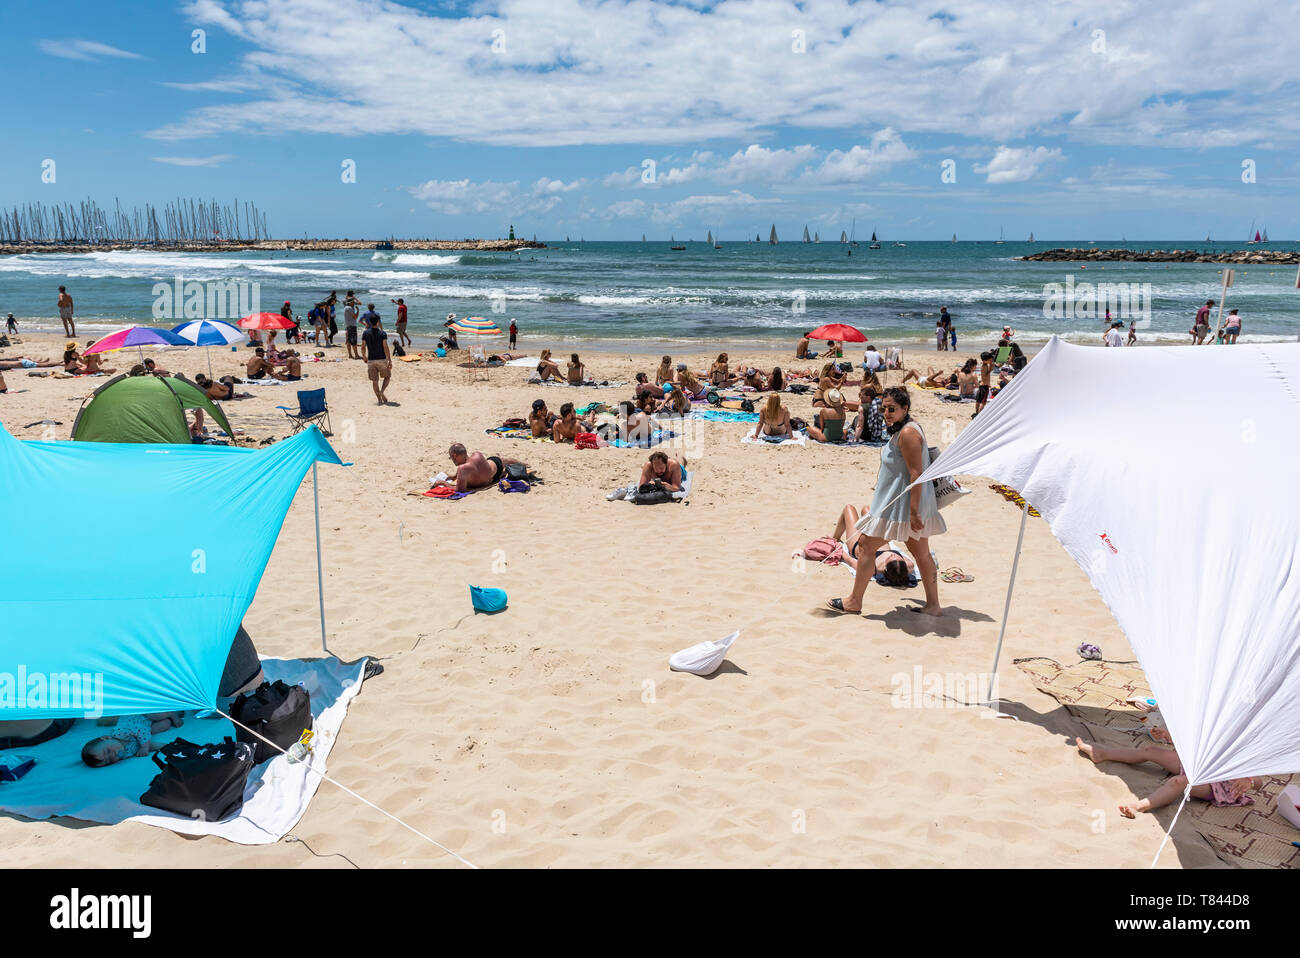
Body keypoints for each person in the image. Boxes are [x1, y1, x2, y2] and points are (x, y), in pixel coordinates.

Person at [826, 386, 944, 616]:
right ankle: (934, 606)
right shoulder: (906, 428)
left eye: (892, 409)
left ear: (905, 408)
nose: (887, 413)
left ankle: (854, 602)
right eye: (884, 409)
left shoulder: (908, 433)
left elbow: (916, 473)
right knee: (921, 554)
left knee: (867, 548)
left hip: (900, 508)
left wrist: (913, 512)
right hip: (905, 505)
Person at [1073, 737, 1261, 820]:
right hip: (1201, 762)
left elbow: (1261, 781)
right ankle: (1101, 754)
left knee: (1179, 782)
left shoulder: (1251, 739)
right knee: (1149, 751)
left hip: (1220, 785)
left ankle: (1140, 806)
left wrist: (1249, 781)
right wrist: (1170, 736)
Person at [827, 505, 915, 581]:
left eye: (890, 559)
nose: (893, 555)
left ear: (885, 569)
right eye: (899, 559)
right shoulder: (910, 565)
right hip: (877, 539)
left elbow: (850, 562)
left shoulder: (874, 568)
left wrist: (840, 550)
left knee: (849, 508)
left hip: (857, 544)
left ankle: (835, 537)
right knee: (867, 509)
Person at [80, 713, 186, 768]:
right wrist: (166, 747)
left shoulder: (120, 732)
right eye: (109, 761)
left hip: (140, 716)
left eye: (107, 751)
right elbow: (147, 746)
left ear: (106, 738)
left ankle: (171, 713)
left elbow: (142, 731)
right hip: (145, 729)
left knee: (156, 715)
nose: (112, 755)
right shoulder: (125, 754)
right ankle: (169, 718)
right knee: (165, 724)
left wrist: (144, 747)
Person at [434, 443, 524, 492]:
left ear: (455, 455)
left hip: (492, 478)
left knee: (503, 461)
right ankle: (522, 463)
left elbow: (460, 490)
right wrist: (453, 477)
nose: (452, 460)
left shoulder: (462, 469)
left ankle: (520, 464)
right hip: (496, 472)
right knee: (504, 460)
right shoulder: (476, 455)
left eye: (451, 457)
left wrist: (443, 483)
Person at [362, 310, 393, 404]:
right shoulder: (382, 333)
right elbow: (385, 347)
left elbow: (363, 346)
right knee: (387, 376)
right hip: (381, 359)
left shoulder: (365, 333)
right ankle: (382, 391)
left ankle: (379, 399)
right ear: (378, 322)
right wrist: (389, 360)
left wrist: (364, 356)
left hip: (371, 360)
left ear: (369, 323)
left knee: (374, 381)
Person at [974, 350, 994, 417]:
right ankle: (979, 415)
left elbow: (987, 373)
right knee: (983, 402)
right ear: (985, 360)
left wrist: (990, 364)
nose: (990, 361)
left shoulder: (984, 365)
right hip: (985, 386)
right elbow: (986, 375)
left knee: (978, 400)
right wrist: (991, 367)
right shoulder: (984, 367)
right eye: (989, 360)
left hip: (982, 385)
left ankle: (977, 412)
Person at [343, 291, 362, 359]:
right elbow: (355, 317)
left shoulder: (345, 307)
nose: (354, 303)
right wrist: (358, 311)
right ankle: (356, 355)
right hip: (352, 326)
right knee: (354, 341)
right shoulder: (350, 308)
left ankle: (350, 355)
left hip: (348, 325)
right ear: (351, 302)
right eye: (353, 302)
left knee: (348, 341)